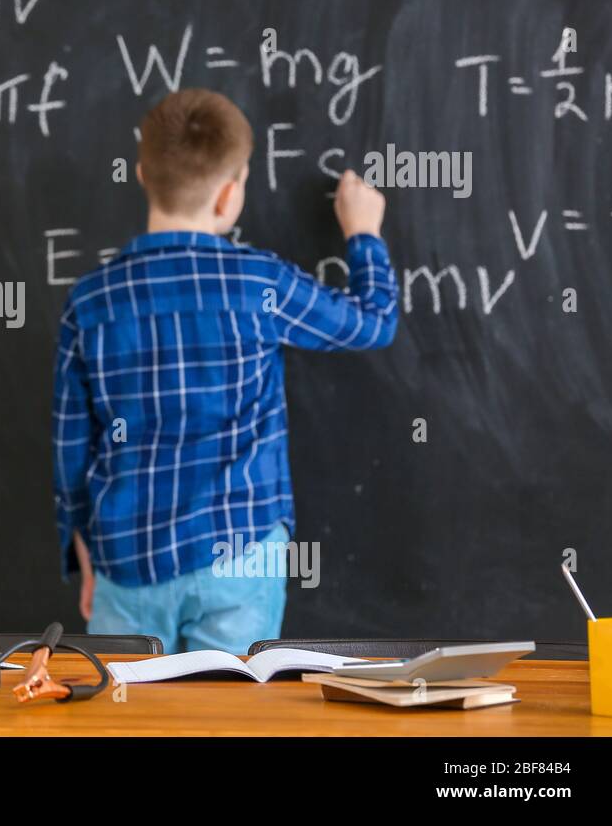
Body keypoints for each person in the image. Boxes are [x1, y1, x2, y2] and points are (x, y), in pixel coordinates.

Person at [52, 88, 397, 655]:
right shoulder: (259, 284)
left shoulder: (90, 302)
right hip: (238, 555)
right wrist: (363, 234)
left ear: (141, 173)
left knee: (128, 725)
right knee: (231, 719)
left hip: (125, 561)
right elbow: (373, 322)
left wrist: (83, 553)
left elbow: (72, 446)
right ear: (230, 194)